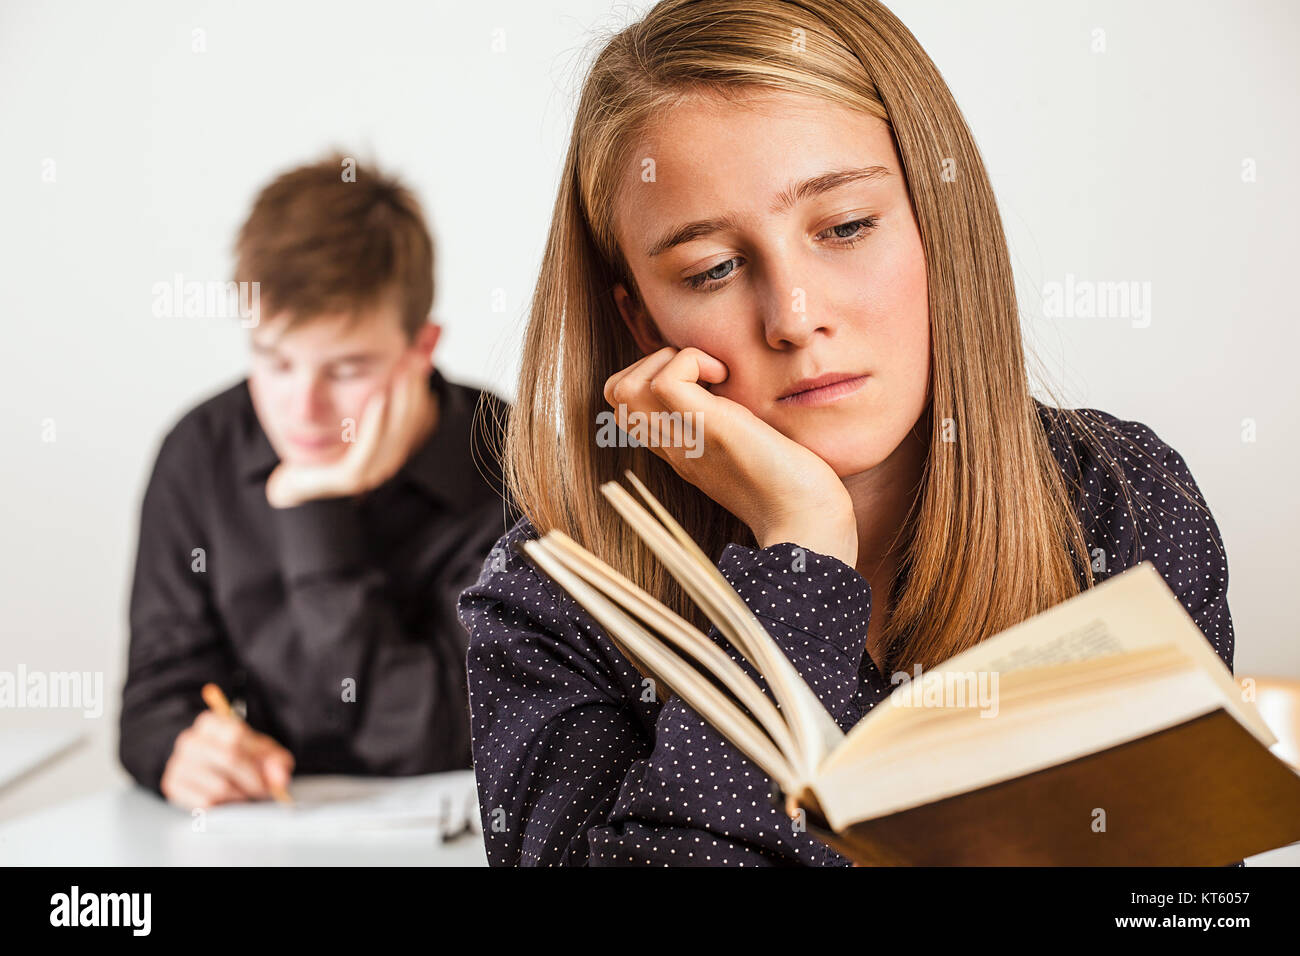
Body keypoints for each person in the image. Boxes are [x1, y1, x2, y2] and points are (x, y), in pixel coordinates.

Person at [458, 0, 1237, 865]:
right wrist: (800, 558)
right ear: (645, 326)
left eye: (847, 227)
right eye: (712, 269)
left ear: (942, 223)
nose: (794, 318)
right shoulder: (555, 598)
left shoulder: (1116, 500)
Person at [120, 154, 516, 809]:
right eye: (274, 362)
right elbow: (153, 701)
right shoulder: (201, 451)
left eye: (347, 370)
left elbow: (435, 737)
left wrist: (315, 515)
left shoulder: (506, 459)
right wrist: (183, 750)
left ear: (423, 348)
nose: (301, 408)